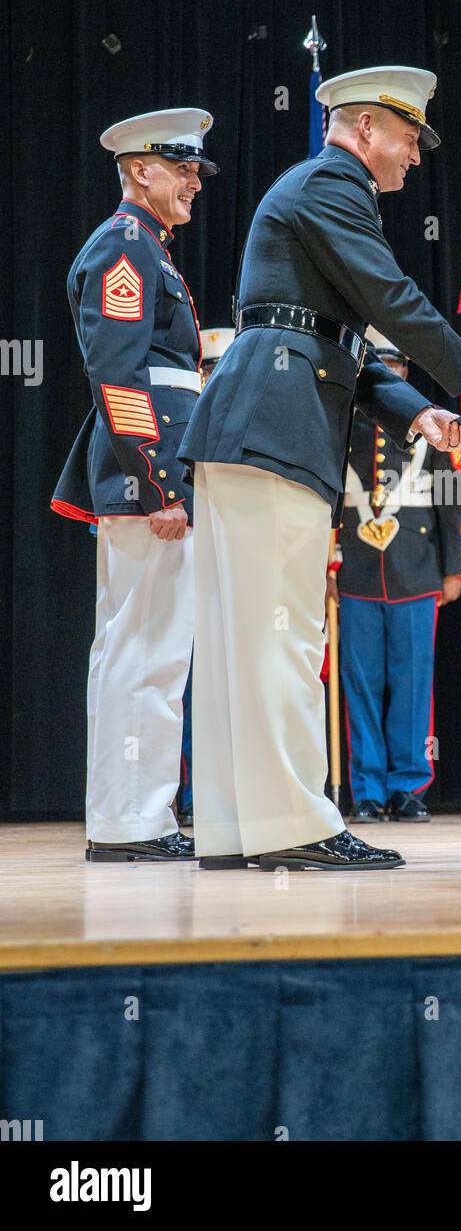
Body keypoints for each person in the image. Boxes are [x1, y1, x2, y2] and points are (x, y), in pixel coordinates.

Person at [179, 66, 461, 872]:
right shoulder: (331, 183)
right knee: (281, 633)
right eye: (407, 137)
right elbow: (388, 298)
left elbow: (333, 336)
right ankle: (293, 826)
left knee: (240, 637)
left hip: (257, 419)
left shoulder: (315, 190)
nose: (415, 157)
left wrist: (413, 409)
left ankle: (233, 826)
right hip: (276, 428)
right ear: (363, 131)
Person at [52, 108, 218, 861]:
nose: (193, 182)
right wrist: (156, 484)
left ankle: (141, 816)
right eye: (180, 168)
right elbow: (117, 379)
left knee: (154, 650)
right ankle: (127, 822)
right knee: (140, 649)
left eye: (195, 171)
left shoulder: (148, 248)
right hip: (143, 480)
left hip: (153, 474)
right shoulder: (125, 247)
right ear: (139, 171)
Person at [332, 329, 461, 822]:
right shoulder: (343, 423)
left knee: (413, 685)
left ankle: (409, 786)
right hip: (357, 574)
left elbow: (454, 501)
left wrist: (455, 568)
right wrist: (327, 563)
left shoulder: (433, 428)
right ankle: (367, 788)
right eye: (382, 367)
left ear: (409, 372)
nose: (392, 375)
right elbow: (329, 500)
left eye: (399, 368)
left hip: (417, 571)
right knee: (361, 684)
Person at [175, 327, 236, 829]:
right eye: (209, 371)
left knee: (232, 687)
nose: (215, 379)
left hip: (236, 569)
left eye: (223, 371)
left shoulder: (246, 421)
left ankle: (230, 794)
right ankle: (193, 795)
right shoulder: (181, 423)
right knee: (189, 686)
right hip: (186, 566)